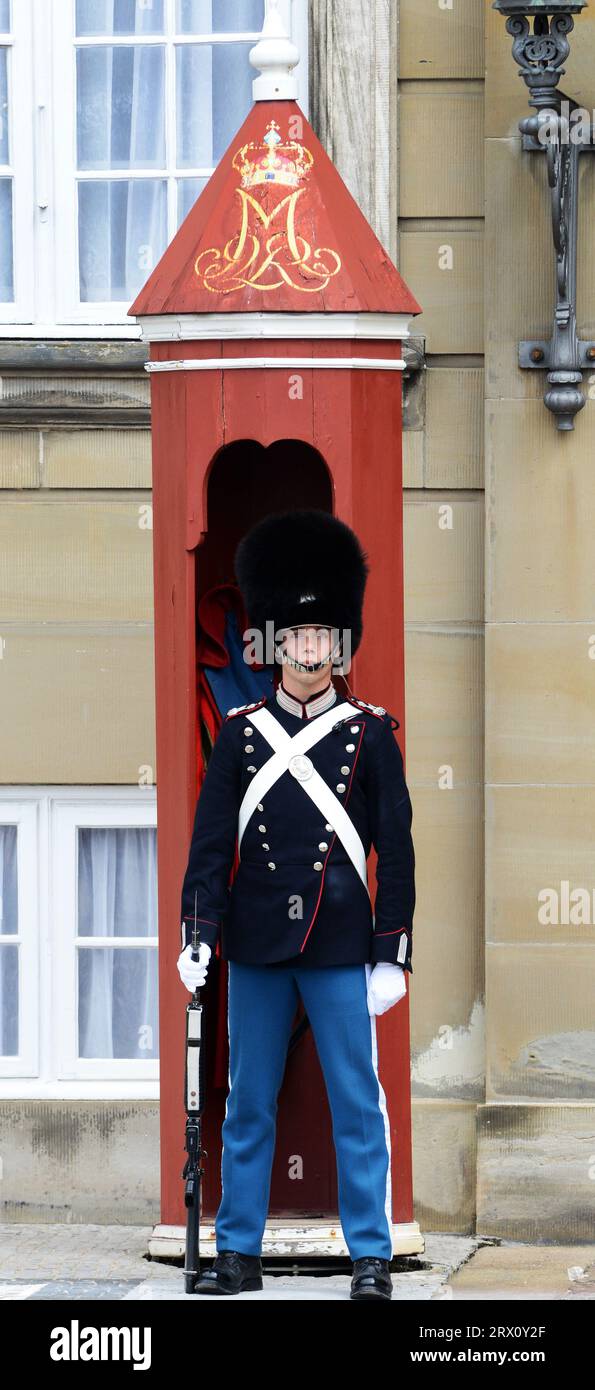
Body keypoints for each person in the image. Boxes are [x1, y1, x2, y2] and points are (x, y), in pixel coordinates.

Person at [176, 509, 416, 1300]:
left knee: (356, 1103)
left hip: (341, 944)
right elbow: (211, 845)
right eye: (296, 636)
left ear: (338, 645)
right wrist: (199, 931)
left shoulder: (370, 734)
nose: (309, 651)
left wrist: (392, 952)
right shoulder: (243, 735)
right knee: (247, 1102)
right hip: (254, 946)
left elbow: (397, 851)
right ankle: (238, 1253)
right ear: (274, 644)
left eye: (322, 637)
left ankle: (370, 1257)